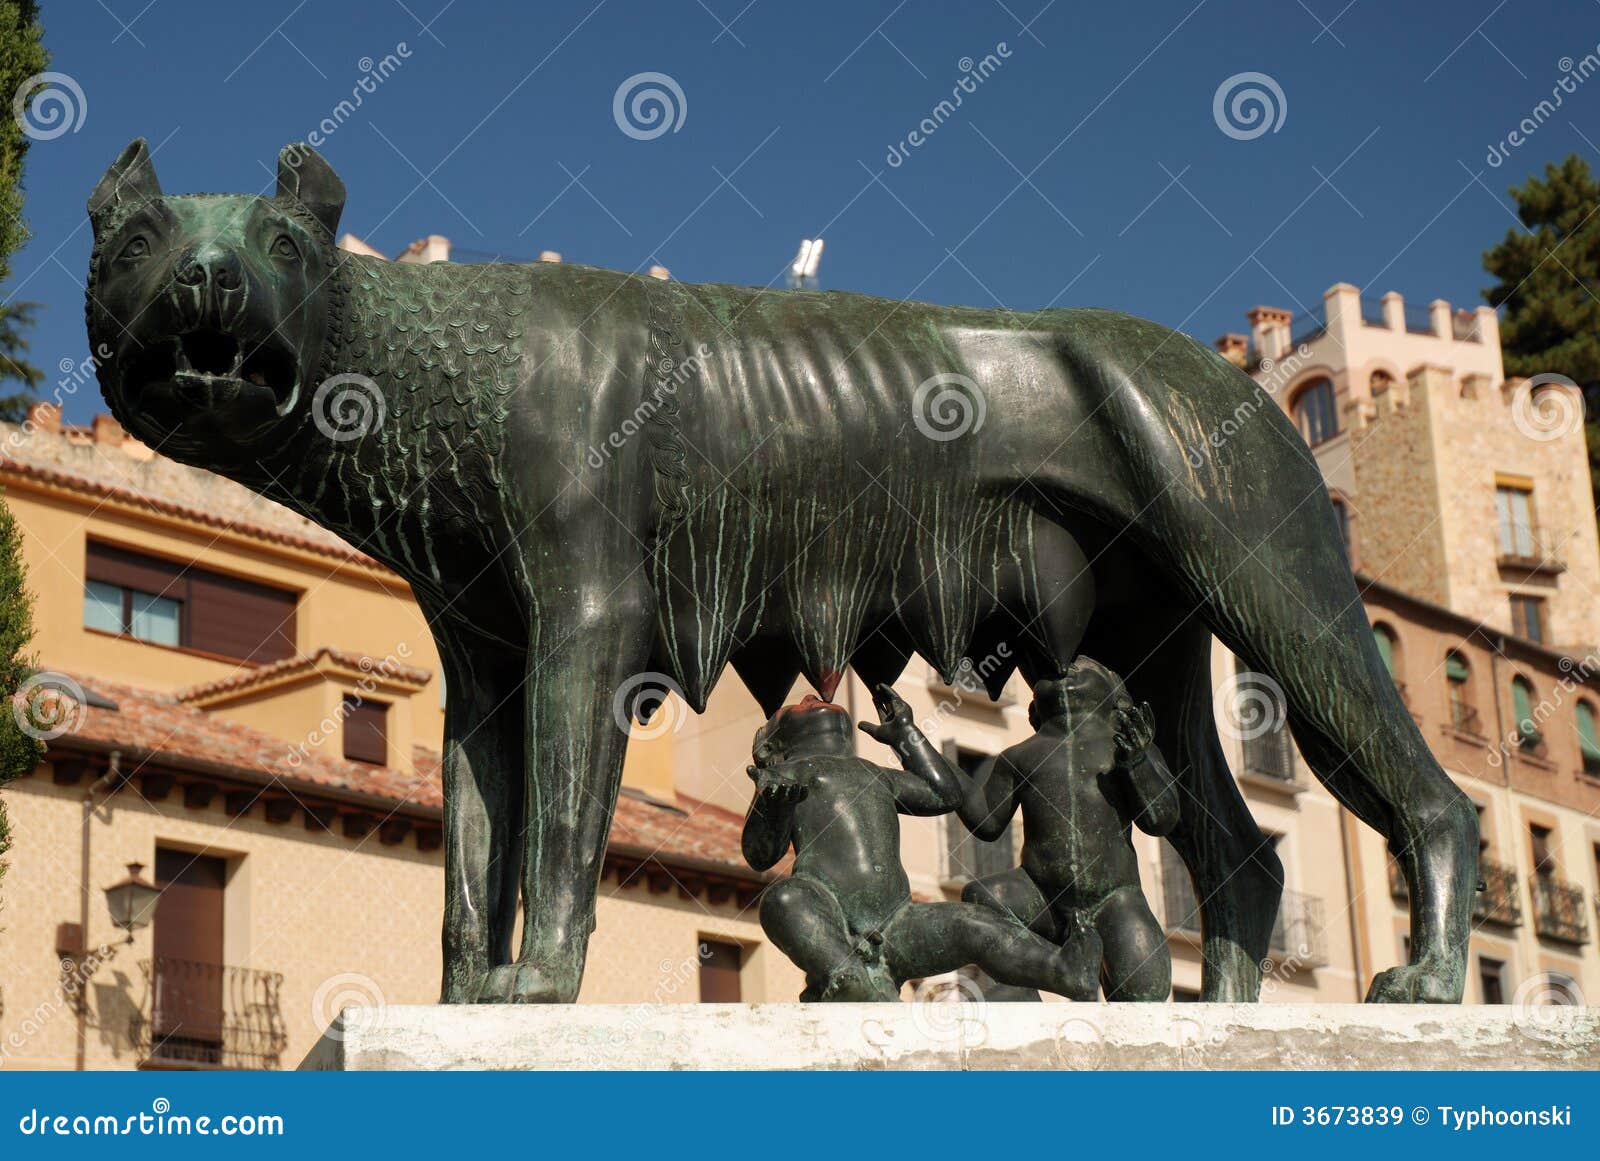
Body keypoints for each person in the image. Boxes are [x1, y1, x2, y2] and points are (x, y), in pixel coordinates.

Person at [741, 687, 1100, 1003]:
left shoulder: (875, 773)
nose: (810, 696)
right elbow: (760, 855)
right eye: (795, 707)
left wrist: (906, 736)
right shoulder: (783, 776)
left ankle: (1063, 970)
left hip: (900, 924)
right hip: (833, 916)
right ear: (772, 747)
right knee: (784, 899)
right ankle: (846, 975)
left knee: (975, 924)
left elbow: (944, 794)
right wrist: (774, 806)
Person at [916, 656, 1178, 1001]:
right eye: (1053, 669)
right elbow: (985, 820)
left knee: (1145, 995)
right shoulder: (1020, 757)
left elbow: (1161, 819)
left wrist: (1138, 763)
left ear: (1115, 695)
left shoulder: (1127, 746)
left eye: (1081, 668)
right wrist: (912, 739)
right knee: (988, 897)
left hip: (1115, 900)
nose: (1063, 667)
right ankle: (1018, 998)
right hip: (1039, 895)